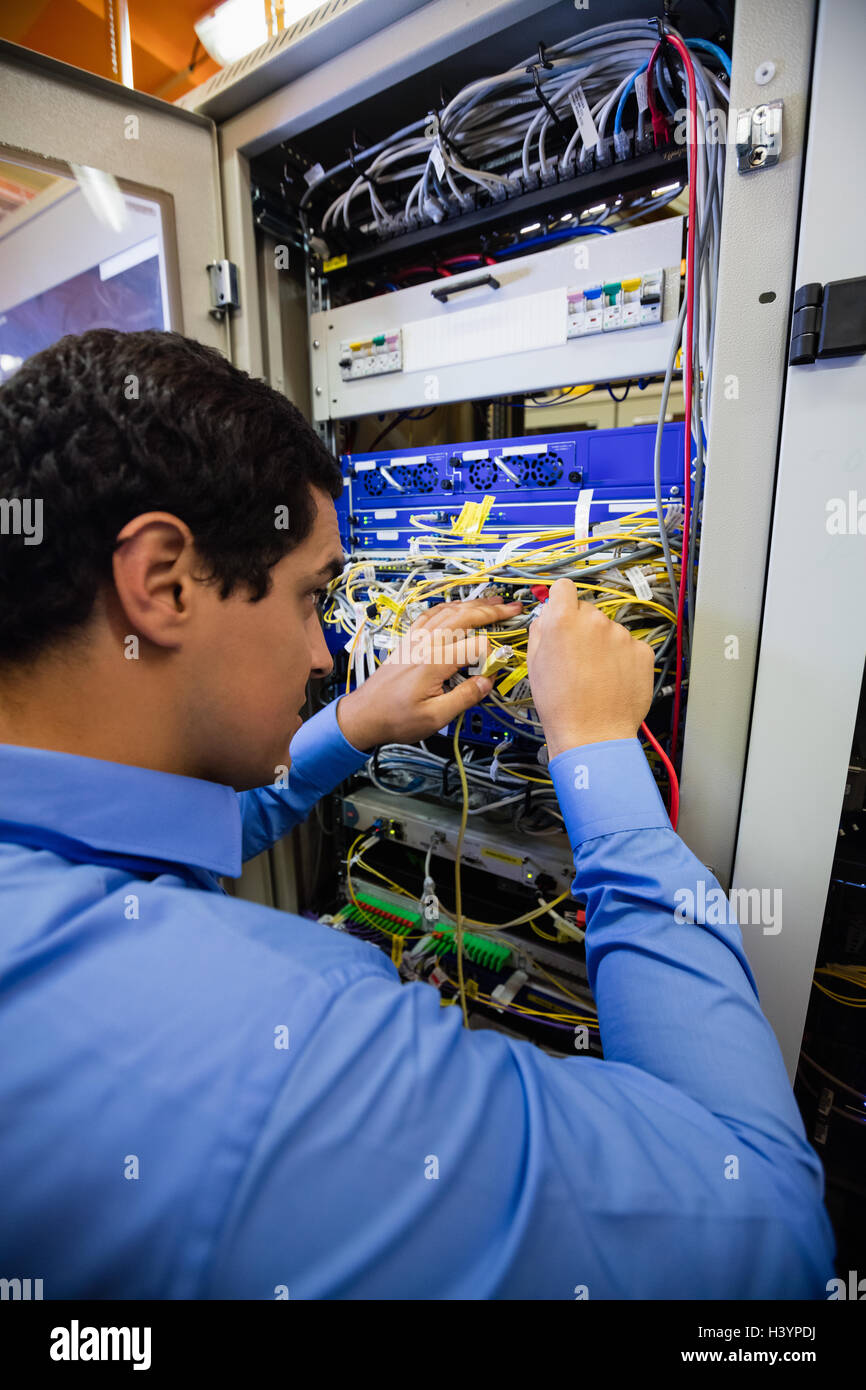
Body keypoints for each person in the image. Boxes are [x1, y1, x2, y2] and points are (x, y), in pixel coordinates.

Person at [0, 329, 835, 1299]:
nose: (323, 654)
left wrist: (353, 724)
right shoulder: (293, 1051)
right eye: (314, 598)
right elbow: (770, 1229)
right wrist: (596, 749)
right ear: (164, 581)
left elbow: (168, 843)